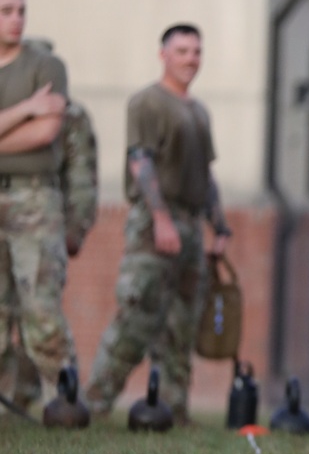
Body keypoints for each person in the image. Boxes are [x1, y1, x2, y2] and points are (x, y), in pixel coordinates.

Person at [85, 24, 231, 422]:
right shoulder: (147, 102)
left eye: (196, 51)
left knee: (181, 325)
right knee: (137, 316)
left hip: (190, 224)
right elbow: (140, 161)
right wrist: (161, 219)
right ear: (163, 54)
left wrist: (219, 228)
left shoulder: (198, 110)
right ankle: (93, 407)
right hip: (154, 222)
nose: (190, 59)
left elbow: (207, 175)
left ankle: (172, 411)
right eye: (182, 50)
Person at [0, 63, 98, 410]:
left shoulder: (69, 115)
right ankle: (13, 400)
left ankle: (65, 401)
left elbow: (81, 172)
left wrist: (77, 226)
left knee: (39, 313)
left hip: (39, 212)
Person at [0, 0, 78, 407]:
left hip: (33, 199)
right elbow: (34, 121)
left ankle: (62, 403)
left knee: (41, 310)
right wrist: (26, 109)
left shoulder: (46, 66)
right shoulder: (29, 92)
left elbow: (47, 131)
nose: (16, 19)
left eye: (21, 10)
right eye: (6, 10)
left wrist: (31, 120)